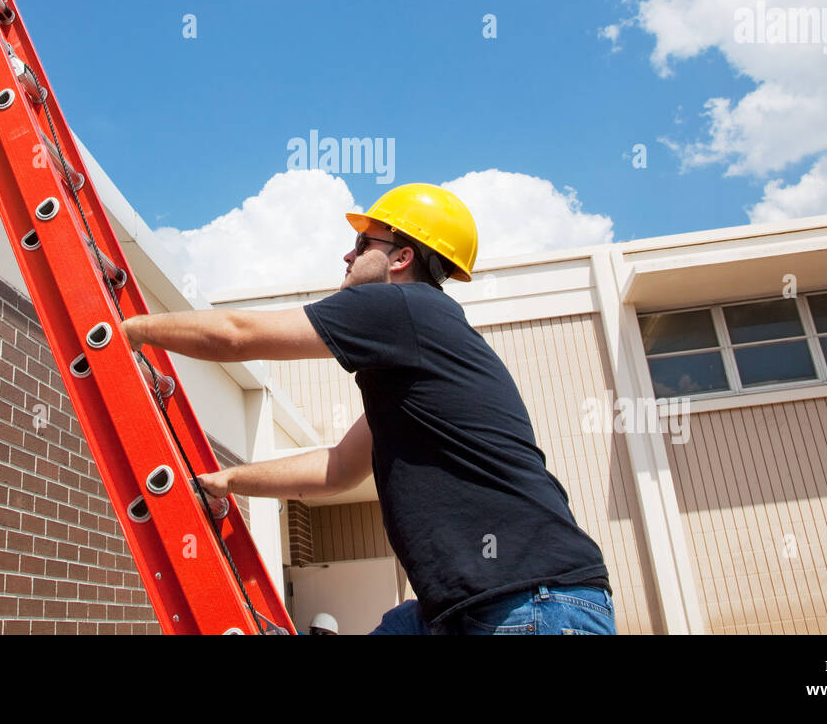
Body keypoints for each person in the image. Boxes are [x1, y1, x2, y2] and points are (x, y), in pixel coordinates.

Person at [121, 183, 615, 635]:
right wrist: (231, 480)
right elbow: (337, 468)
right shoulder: (419, 351)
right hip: (484, 603)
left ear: (401, 257)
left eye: (362, 245)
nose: (347, 254)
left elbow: (237, 335)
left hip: (530, 604)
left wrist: (132, 331)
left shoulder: (403, 308)